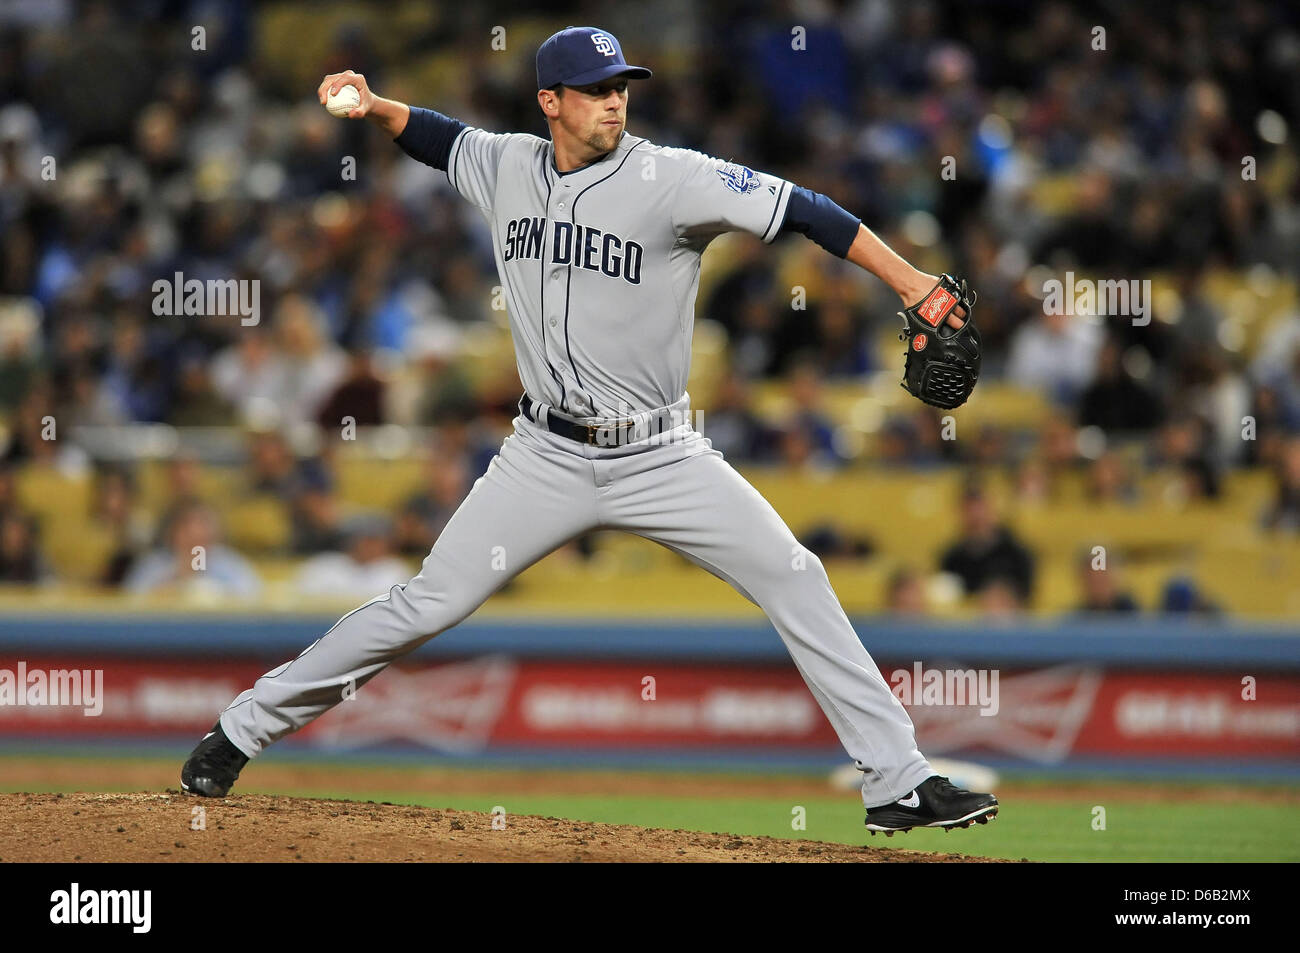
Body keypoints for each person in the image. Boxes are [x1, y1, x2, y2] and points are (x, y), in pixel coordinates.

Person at [181, 26, 997, 835]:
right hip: (543, 455)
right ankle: (239, 732)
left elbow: (807, 210)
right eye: (597, 90)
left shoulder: (675, 178)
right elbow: (438, 139)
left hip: (662, 453)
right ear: (551, 102)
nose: (615, 102)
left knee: (795, 573)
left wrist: (915, 283)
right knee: (425, 604)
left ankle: (896, 780)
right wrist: (373, 105)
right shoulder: (506, 164)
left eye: (620, 87)